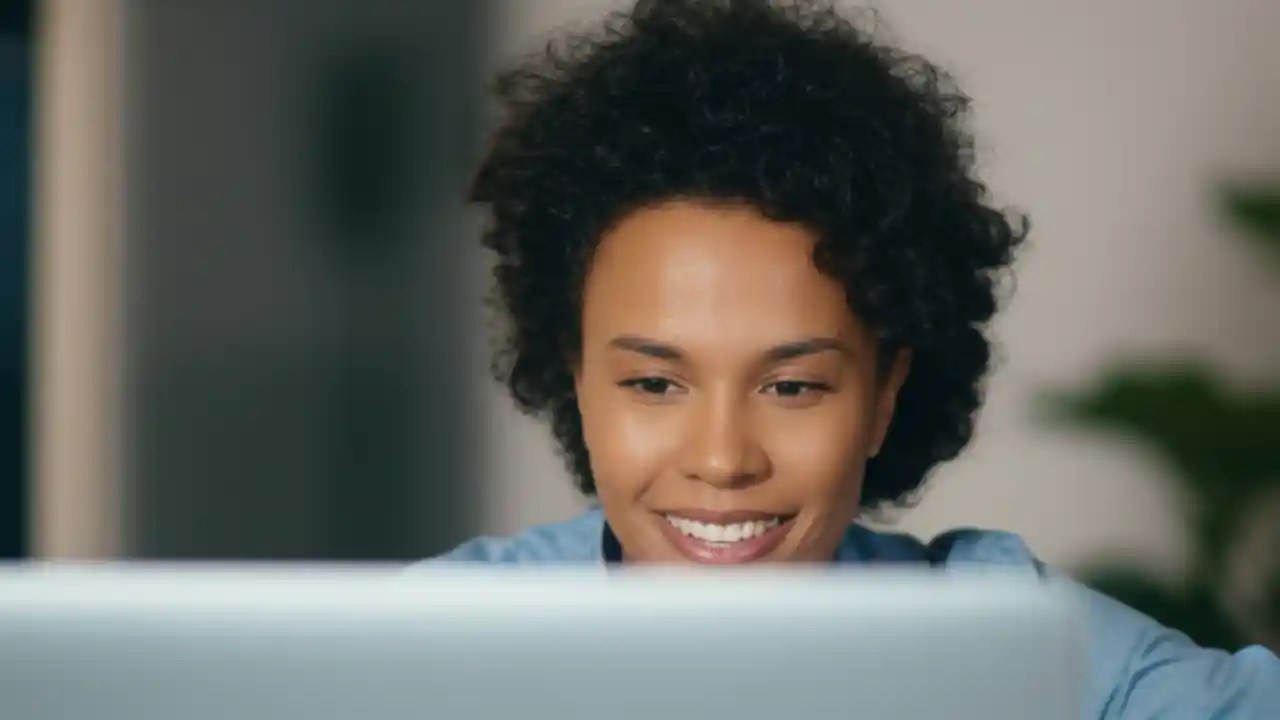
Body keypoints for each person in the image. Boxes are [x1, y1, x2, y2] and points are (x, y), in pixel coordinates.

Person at [437, 0, 1280, 716]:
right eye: (655, 383)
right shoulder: (442, 643)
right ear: (577, 379)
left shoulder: (1012, 646)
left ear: (884, 396)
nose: (723, 459)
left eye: (793, 385)